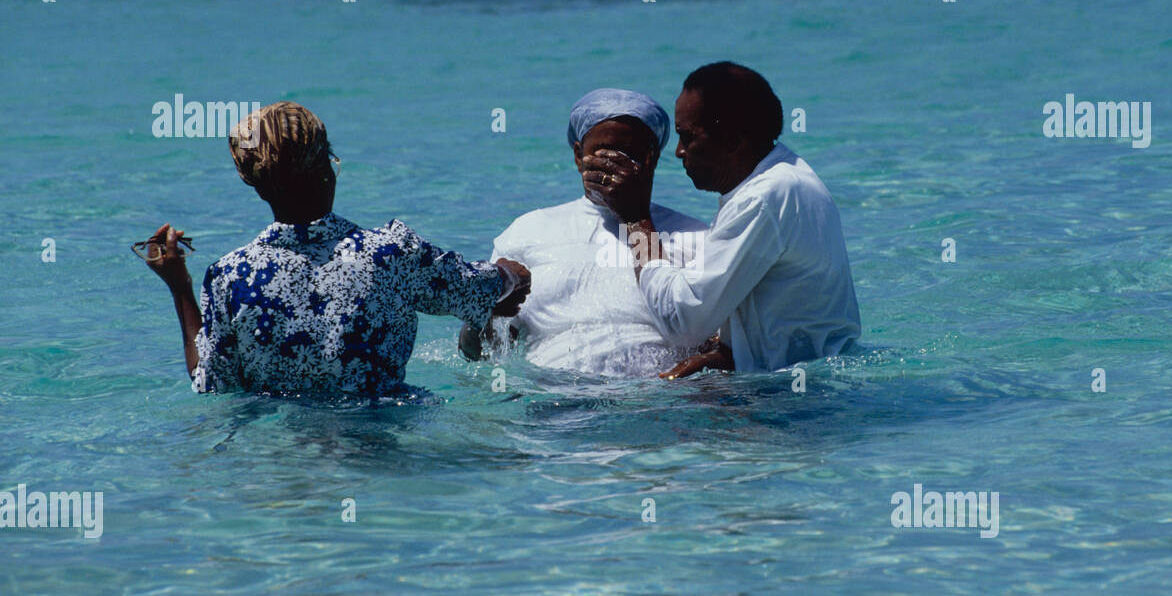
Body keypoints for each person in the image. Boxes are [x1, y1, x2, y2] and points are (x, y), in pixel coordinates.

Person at [139, 101, 530, 397]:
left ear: (255, 187)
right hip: (382, 446)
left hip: (278, 458)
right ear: (326, 168)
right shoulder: (390, 253)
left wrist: (179, 284)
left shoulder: (230, 276)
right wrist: (512, 276)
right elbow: (477, 288)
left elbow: (210, 382)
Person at [582, 62, 860, 378]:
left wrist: (636, 220)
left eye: (688, 137)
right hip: (818, 377)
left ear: (732, 140)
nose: (678, 152)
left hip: (799, 397)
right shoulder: (787, 177)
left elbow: (681, 321)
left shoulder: (764, 197)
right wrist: (730, 352)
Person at [460, 88, 708, 377]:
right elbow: (477, 354)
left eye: (629, 156)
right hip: (555, 400)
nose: (614, 166)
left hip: (654, 403)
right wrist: (487, 310)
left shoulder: (696, 237)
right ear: (579, 155)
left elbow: (720, 345)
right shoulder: (528, 232)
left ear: (651, 158)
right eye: (603, 154)